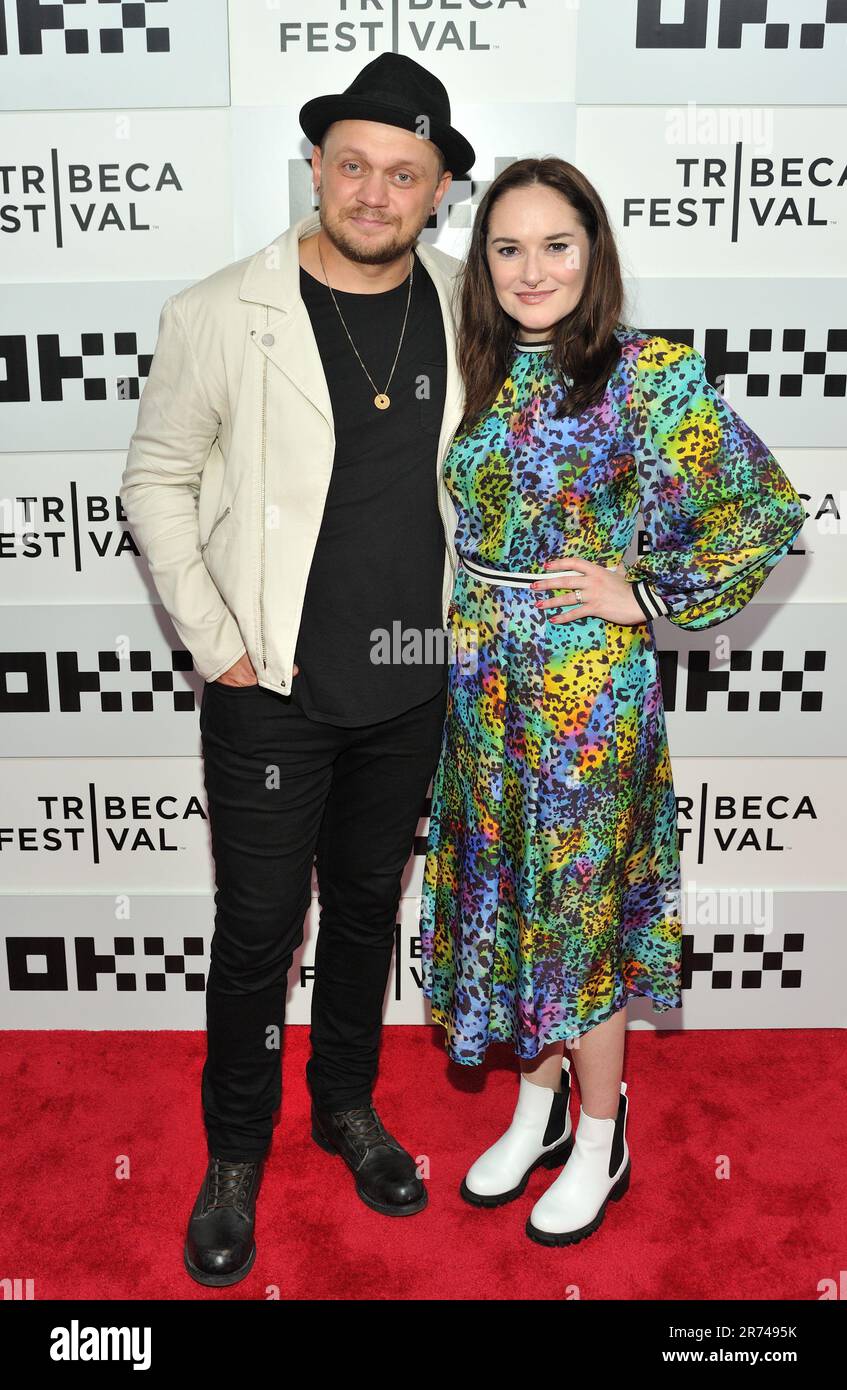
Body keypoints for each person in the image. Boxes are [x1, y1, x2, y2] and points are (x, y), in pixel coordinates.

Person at [120, 53, 475, 1286]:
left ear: (438, 192)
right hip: (267, 685)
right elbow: (155, 480)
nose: (376, 192)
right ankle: (232, 1157)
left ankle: (344, 1107)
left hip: (413, 680)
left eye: (407, 173)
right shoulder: (218, 310)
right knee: (260, 931)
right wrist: (218, 644)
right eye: (356, 164)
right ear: (318, 166)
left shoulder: (466, 304)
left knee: (370, 912)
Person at [419, 156, 806, 1248]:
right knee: (516, 906)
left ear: (593, 256)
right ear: (481, 261)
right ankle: (535, 1106)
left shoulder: (647, 375)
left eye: (555, 244)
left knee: (578, 922)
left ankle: (601, 1134)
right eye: (506, 246)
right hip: (487, 691)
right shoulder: (478, 370)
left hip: (588, 699)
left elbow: (762, 513)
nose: (530, 268)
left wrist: (645, 594)